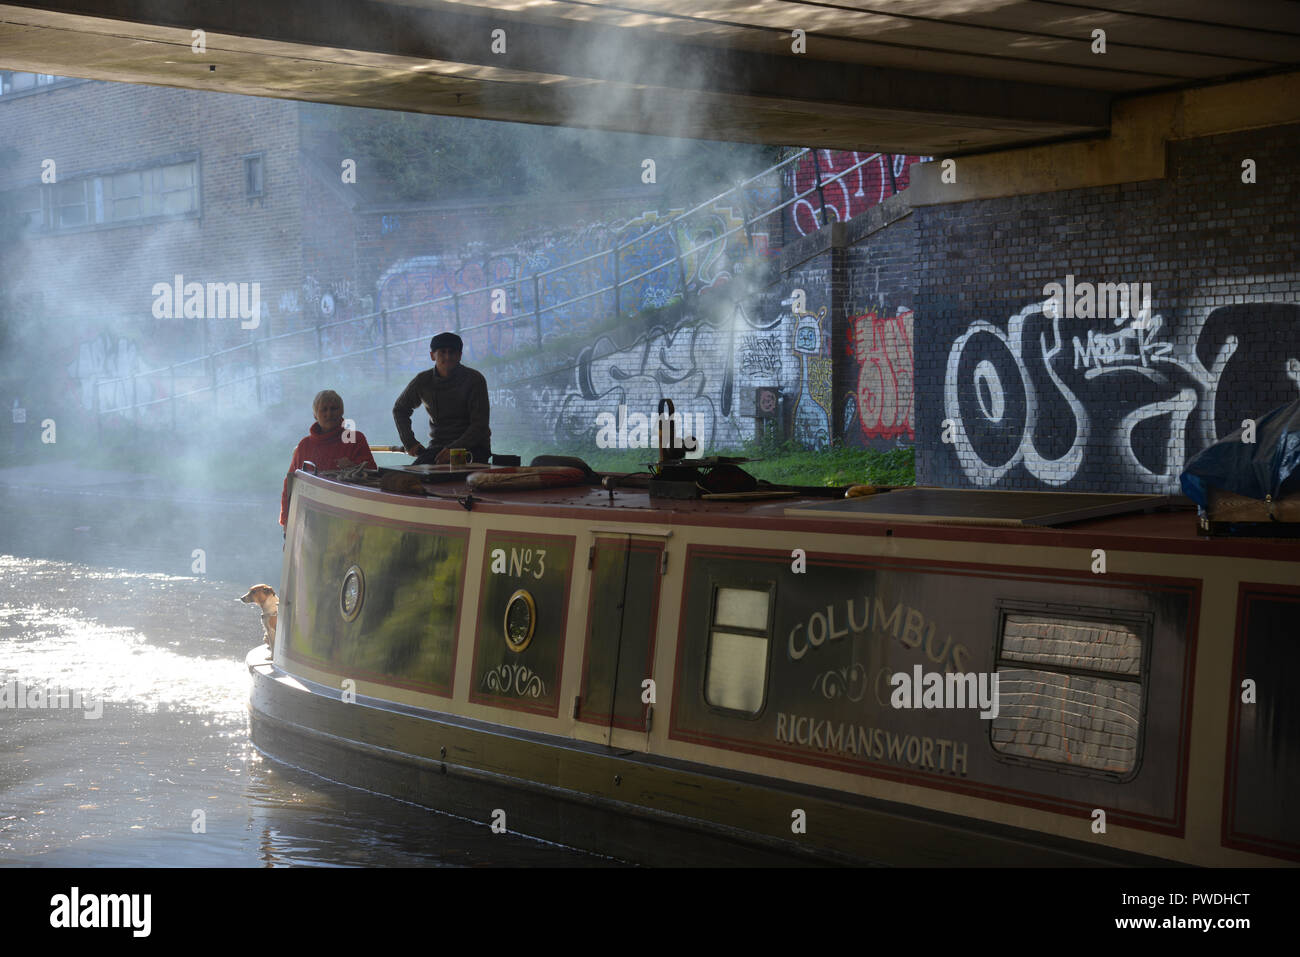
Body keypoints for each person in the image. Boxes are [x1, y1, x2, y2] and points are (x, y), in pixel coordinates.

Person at [280, 389, 377, 527]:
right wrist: (286, 523)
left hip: (348, 517)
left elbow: (373, 476)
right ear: (315, 415)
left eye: (334, 408)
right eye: (324, 410)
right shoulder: (305, 445)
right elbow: (289, 485)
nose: (329, 413)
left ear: (342, 411)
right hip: (310, 519)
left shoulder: (355, 439)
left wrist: (354, 468)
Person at [393, 332, 491, 465]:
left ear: (460, 355)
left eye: (452, 352)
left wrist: (452, 449)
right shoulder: (423, 381)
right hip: (437, 448)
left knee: (452, 478)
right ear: (432, 355)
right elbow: (400, 409)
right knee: (412, 478)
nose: (447, 357)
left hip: (473, 449)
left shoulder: (474, 380)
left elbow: (480, 426)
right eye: (442, 352)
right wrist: (410, 442)